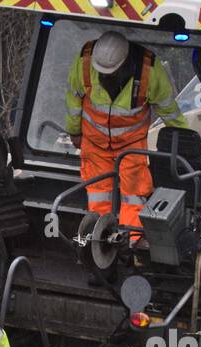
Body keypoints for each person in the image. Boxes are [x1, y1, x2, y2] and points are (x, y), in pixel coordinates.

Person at [65, 30, 187, 228]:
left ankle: (131, 245)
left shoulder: (150, 71)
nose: (104, 75)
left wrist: (184, 141)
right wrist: (74, 132)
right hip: (95, 144)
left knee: (134, 198)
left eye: (109, 72)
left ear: (124, 64)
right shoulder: (84, 63)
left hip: (132, 147)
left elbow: (169, 111)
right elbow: (73, 100)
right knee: (98, 198)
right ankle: (98, 242)